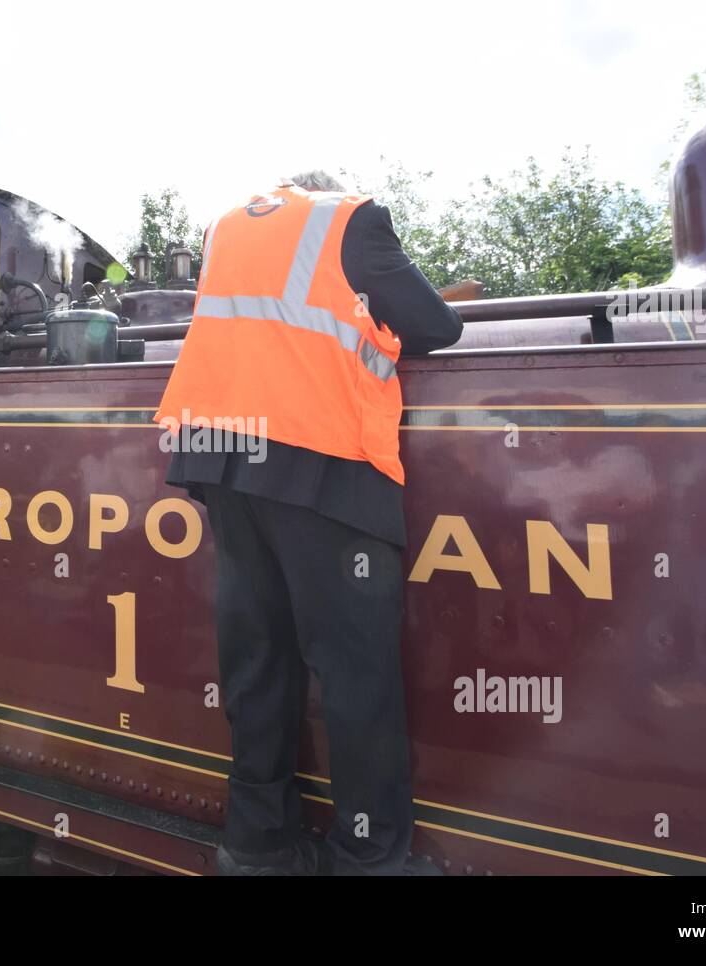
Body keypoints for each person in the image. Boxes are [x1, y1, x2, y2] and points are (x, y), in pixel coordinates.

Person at [155, 171, 470, 875]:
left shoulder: (227, 224)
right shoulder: (351, 220)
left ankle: (256, 845)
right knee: (355, 669)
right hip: (316, 452)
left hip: (218, 453)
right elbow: (437, 325)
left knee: (257, 658)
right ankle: (367, 857)